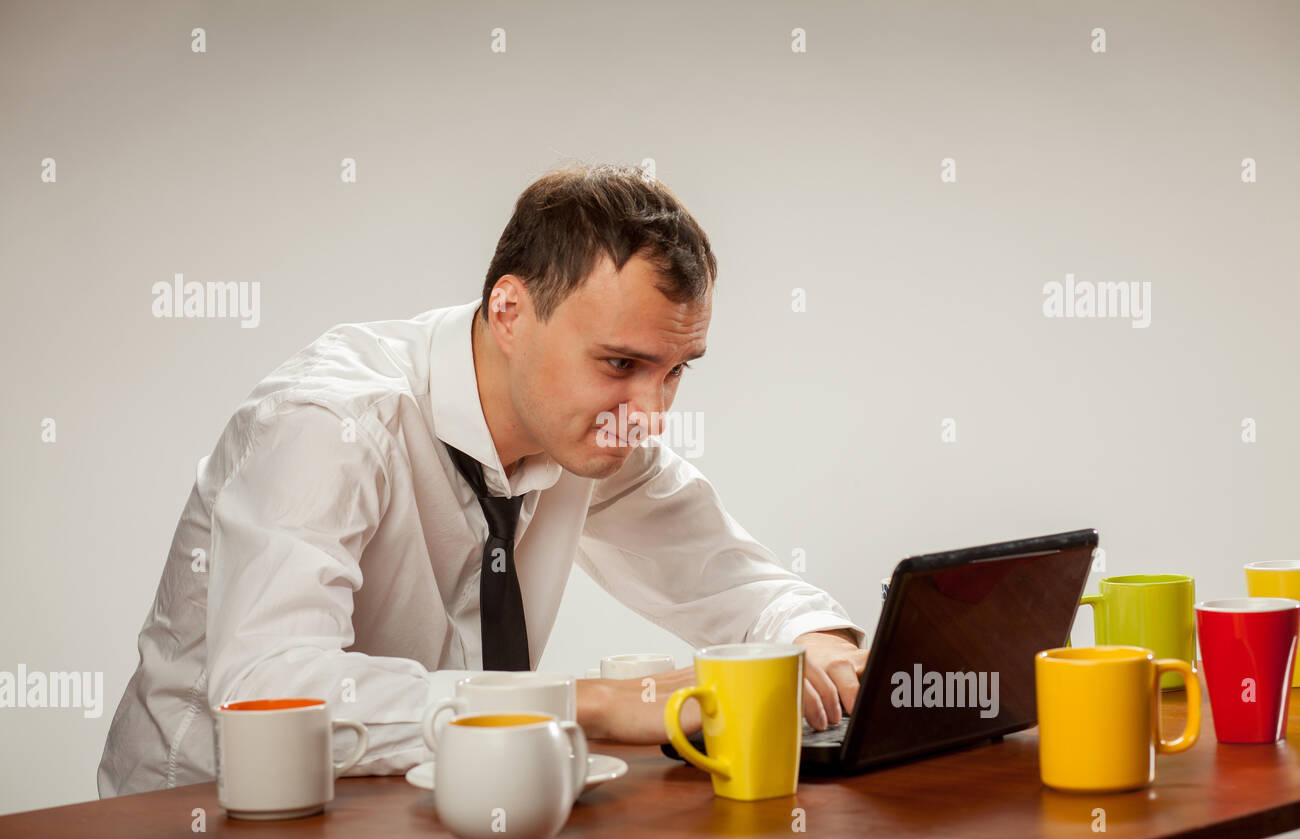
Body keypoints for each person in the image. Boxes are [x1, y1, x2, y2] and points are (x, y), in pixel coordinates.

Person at [97, 161, 868, 797]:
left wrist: (821, 646)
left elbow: (725, 578)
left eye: (675, 373)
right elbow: (268, 687)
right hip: (199, 824)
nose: (652, 414)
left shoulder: (590, 437)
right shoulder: (326, 422)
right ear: (509, 311)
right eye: (621, 364)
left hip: (410, 811)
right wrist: (586, 704)